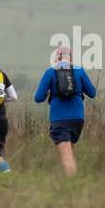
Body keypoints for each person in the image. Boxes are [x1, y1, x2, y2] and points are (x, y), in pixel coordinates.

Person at [33, 45, 97, 176]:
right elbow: (92, 93)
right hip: (77, 119)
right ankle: (64, 180)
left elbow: (38, 98)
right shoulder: (79, 70)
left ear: (57, 58)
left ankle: (72, 186)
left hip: (59, 118)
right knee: (69, 153)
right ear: (71, 58)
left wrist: (48, 92)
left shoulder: (50, 71)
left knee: (66, 155)